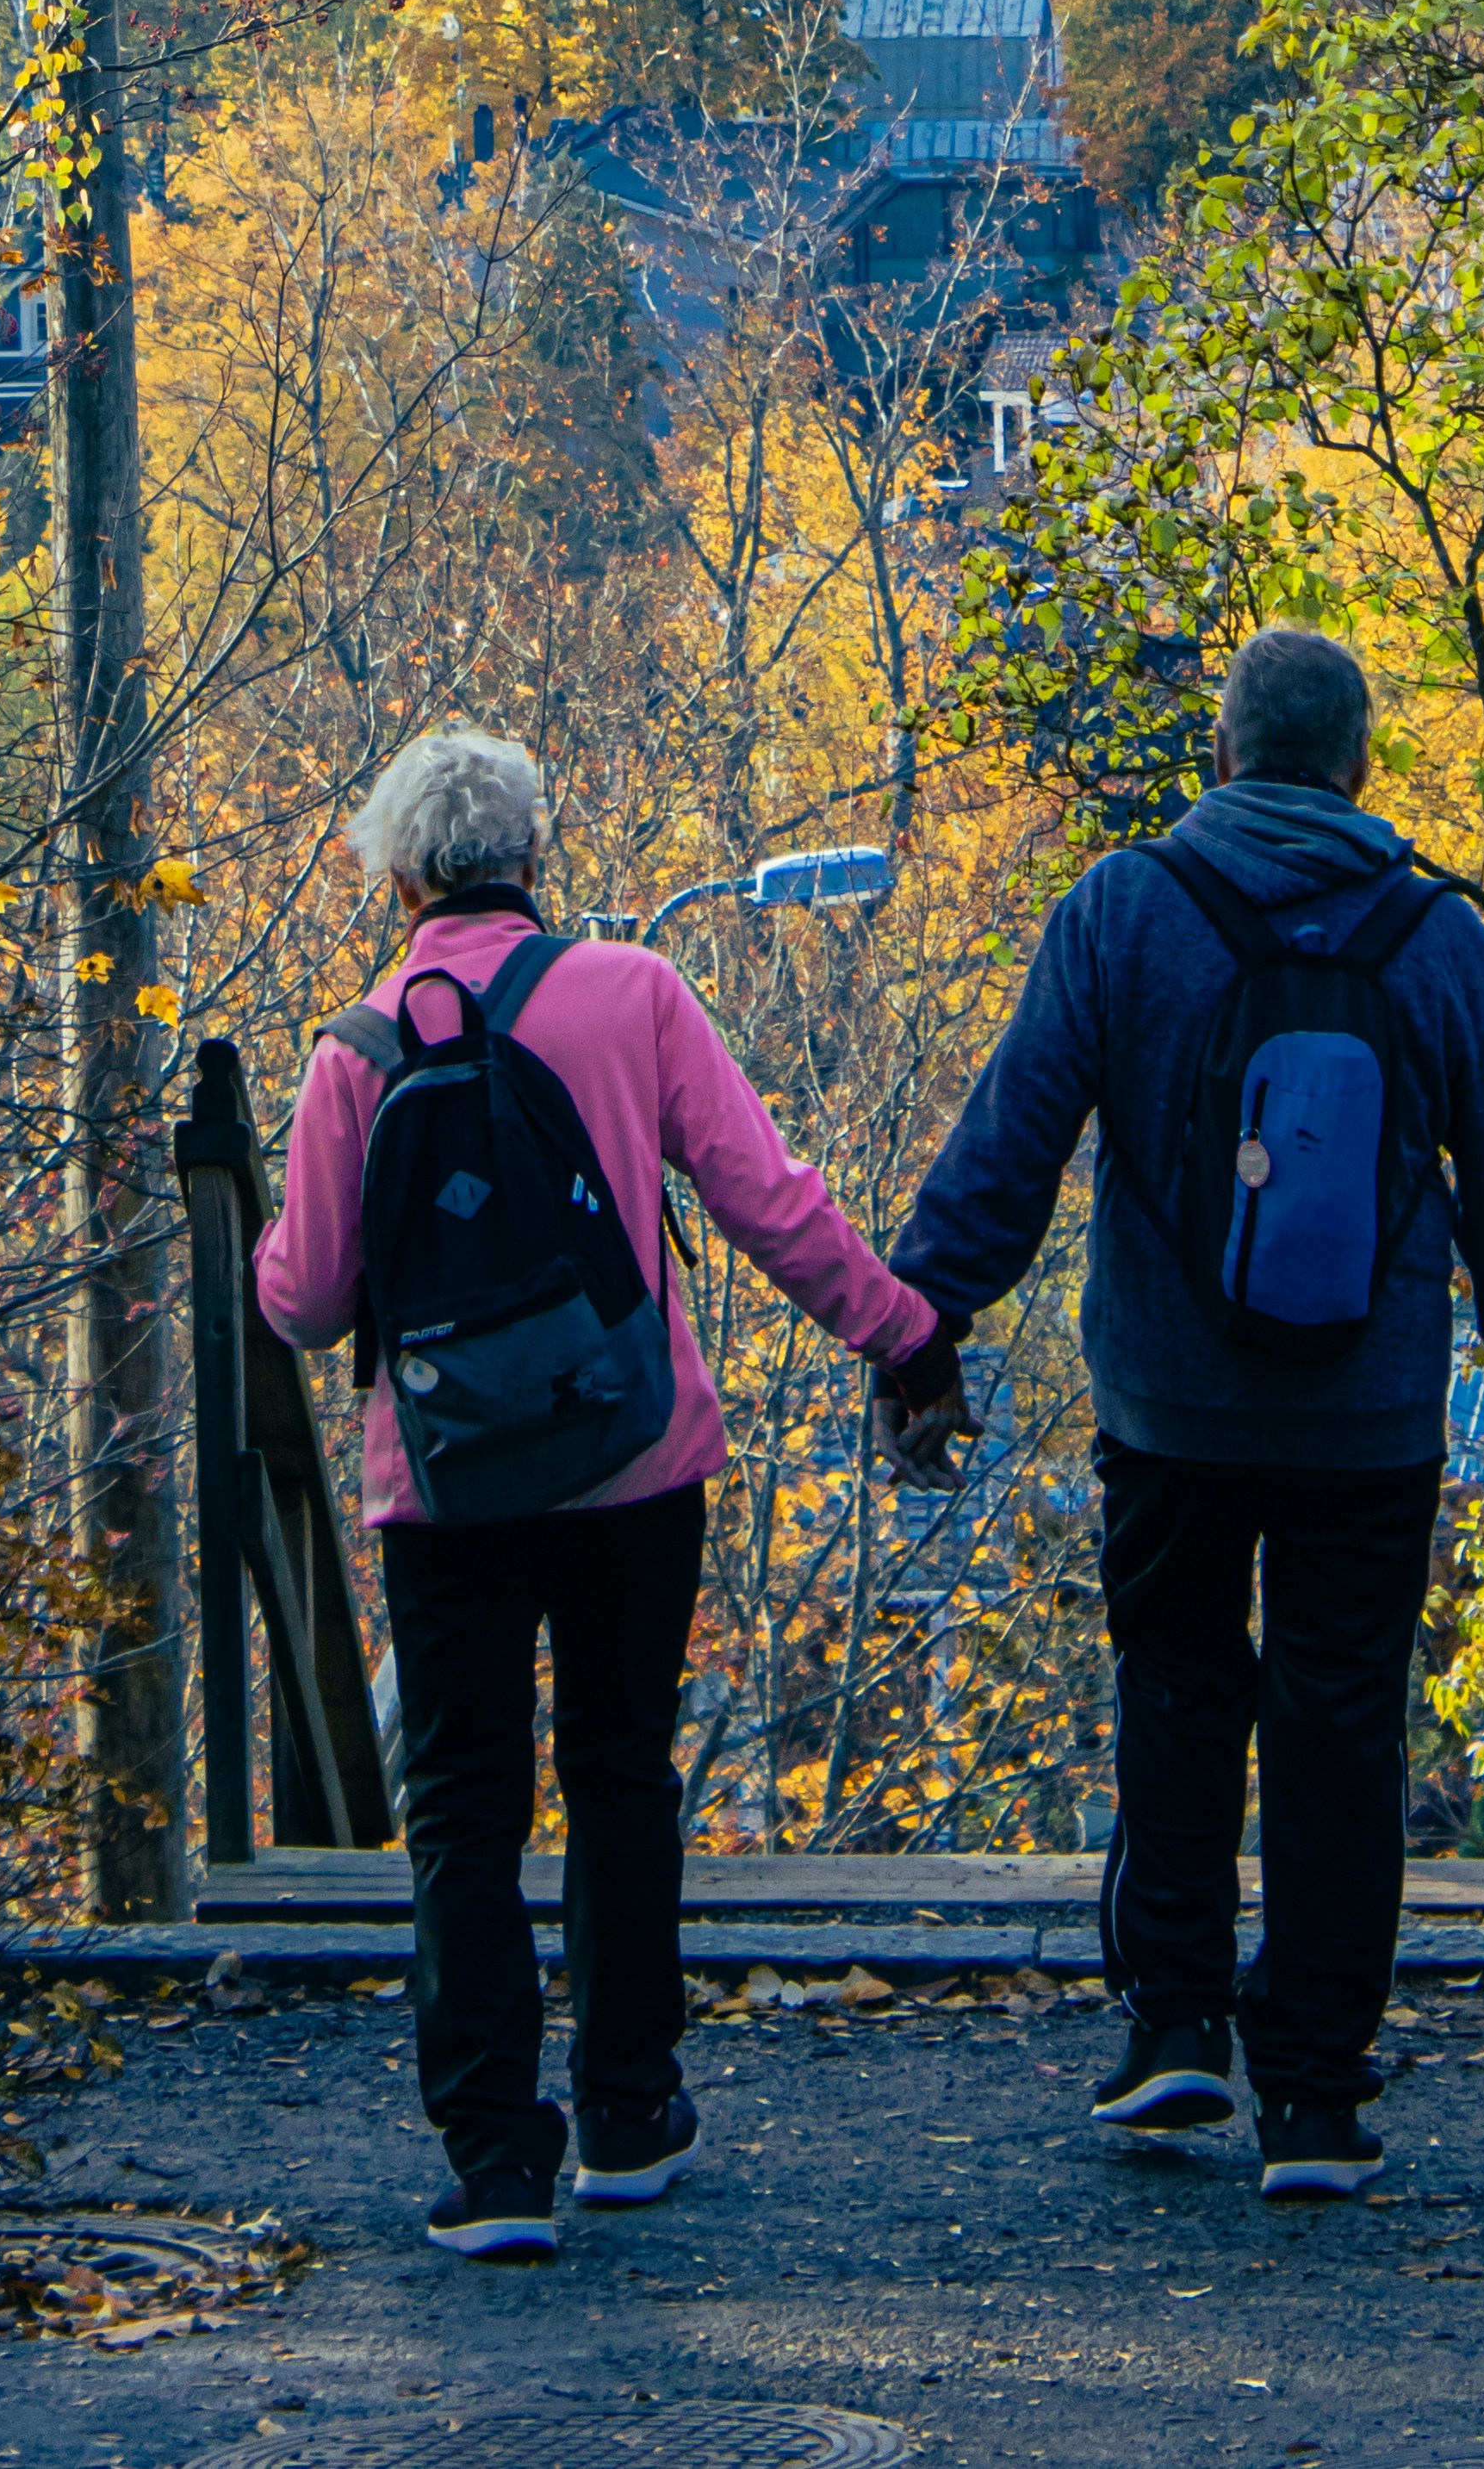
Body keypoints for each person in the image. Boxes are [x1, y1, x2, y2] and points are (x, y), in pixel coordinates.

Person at [879, 623, 1484, 2204]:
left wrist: (920, 1329)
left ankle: (1175, 2021)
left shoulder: (1126, 910)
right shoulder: (1439, 938)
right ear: (1353, 763)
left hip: (1169, 1397)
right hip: (1370, 1409)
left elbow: (1014, 1139)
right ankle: (1320, 2096)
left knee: (1179, 1683)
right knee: (1341, 1721)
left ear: (1222, 750)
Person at [252, 724, 947, 2264]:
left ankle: (496, 2159)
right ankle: (630, 2113)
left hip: (443, 1487)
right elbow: (769, 1197)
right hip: (635, 1461)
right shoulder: (636, 994)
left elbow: (302, 1303)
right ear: (529, 855)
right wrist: (899, 1336)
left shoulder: (353, 1053)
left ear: (400, 877)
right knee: (622, 1775)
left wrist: (266, 1234)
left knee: (462, 1811)